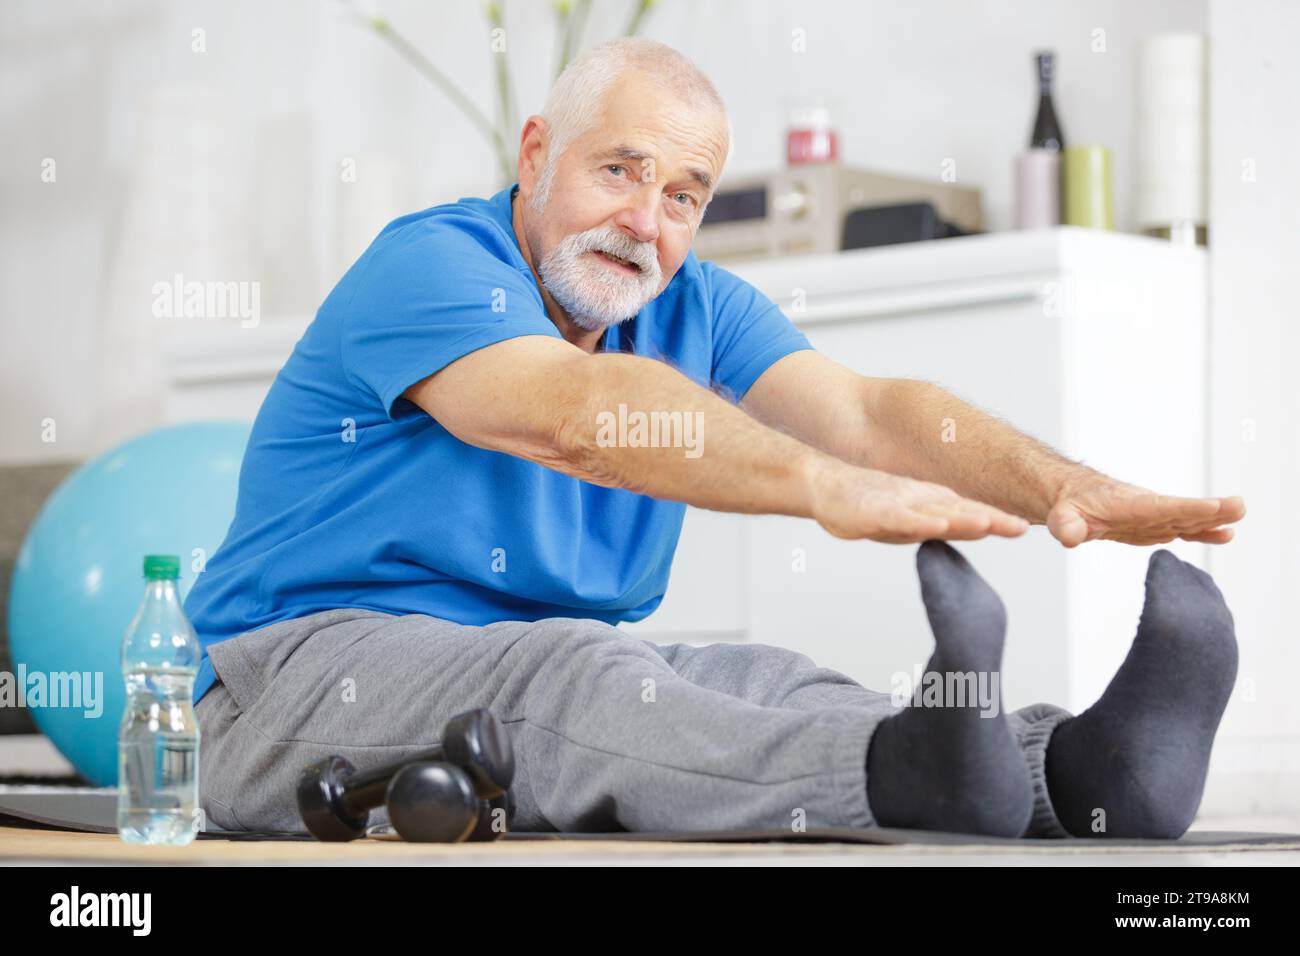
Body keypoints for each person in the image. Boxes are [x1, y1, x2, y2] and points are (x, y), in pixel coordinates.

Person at [188, 38, 1245, 839]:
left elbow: (871, 410)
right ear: (537, 153)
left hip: (526, 676)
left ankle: (1074, 771)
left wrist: (1058, 482)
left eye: (682, 195)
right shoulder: (432, 266)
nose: (646, 223)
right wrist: (814, 486)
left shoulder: (695, 303)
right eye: (619, 171)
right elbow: (576, 414)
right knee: (566, 672)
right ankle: (895, 774)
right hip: (295, 682)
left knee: (757, 674)